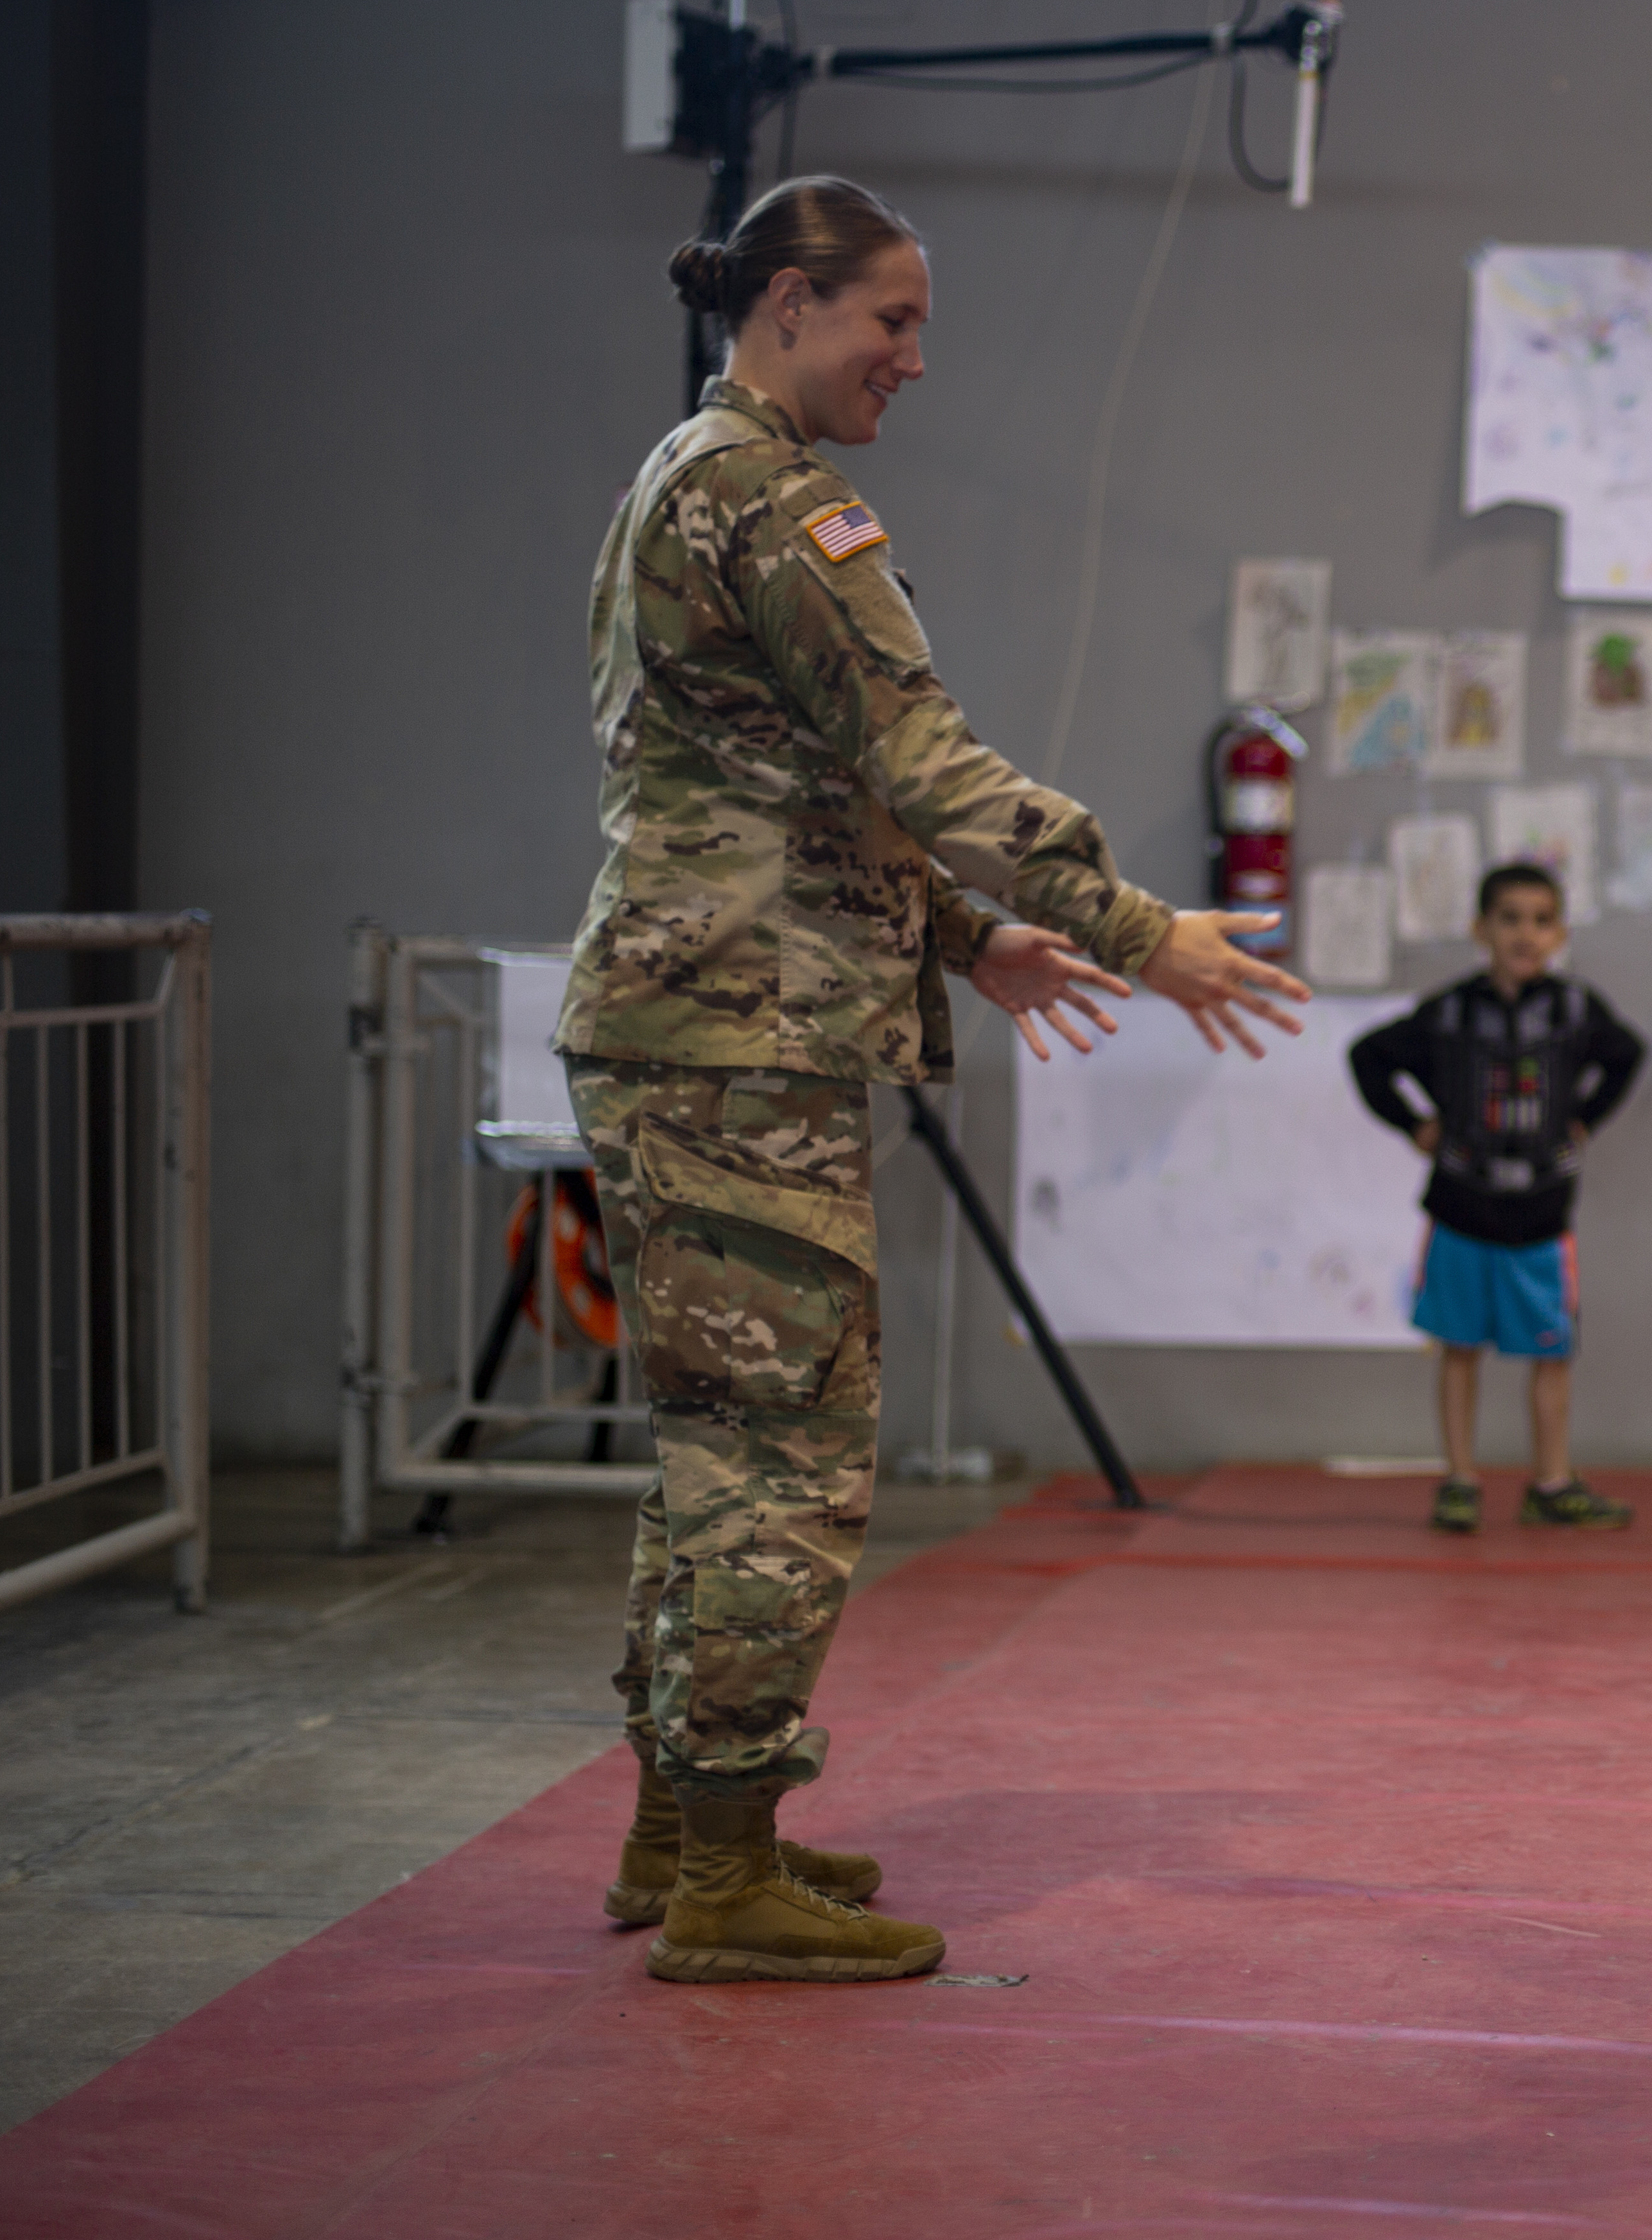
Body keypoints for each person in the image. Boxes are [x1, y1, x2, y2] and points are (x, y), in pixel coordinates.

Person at [556, 175, 1309, 1986]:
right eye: (892, 322)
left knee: (721, 1460)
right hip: (737, 1043)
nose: (911, 362)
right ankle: (725, 1874)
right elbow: (925, 759)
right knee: (788, 1465)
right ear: (795, 301)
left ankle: (684, 1831)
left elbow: (798, 788)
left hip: (694, 1023)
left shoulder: (687, 477)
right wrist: (1145, 932)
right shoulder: (776, 498)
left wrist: (971, 946)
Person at [1346, 862, 1646, 1532]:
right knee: (1458, 1347)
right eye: (1509, 918)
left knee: (1550, 1352)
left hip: (1541, 1219)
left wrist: (1584, 1120)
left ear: (1559, 933)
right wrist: (1414, 1125)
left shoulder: (1575, 1011)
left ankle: (1552, 1482)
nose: (1525, 934)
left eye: (1541, 921)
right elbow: (1368, 1058)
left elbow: (1628, 1054)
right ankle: (1459, 1480)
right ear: (1482, 929)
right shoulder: (1449, 1013)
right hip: (1459, 1211)